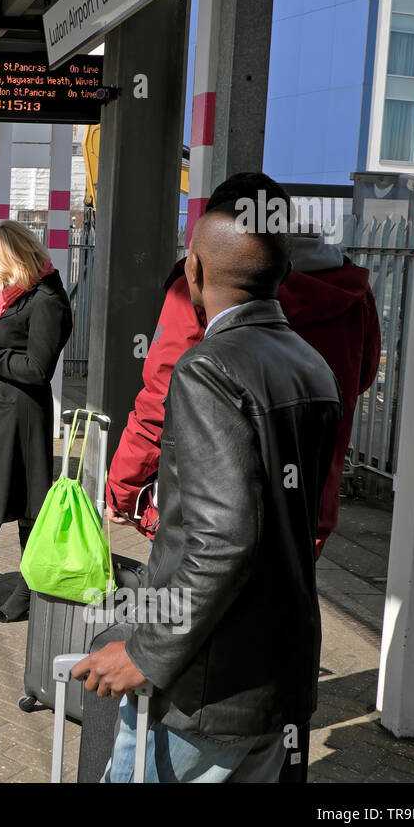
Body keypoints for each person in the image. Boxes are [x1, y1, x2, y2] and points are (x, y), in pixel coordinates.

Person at [74, 203, 342, 783]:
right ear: (284, 271)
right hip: (282, 672)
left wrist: (145, 653)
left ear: (192, 270)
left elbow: (223, 537)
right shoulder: (313, 365)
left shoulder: (208, 369)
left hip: (207, 688)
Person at [106, 173, 381, 557]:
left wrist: (125, 484)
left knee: (190, 606)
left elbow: (161, 394)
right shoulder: (352, 292)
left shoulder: (204, 284)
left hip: (210, 503)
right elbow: (362, 377)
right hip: (308, 497)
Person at [0, 221, 72, 622]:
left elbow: (37, 368)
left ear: (11, 260)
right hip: (1, 411)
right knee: (3, 497)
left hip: (23, 417)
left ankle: (29, 590)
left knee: (28, 505)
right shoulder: (23, 295)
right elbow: (12, 347)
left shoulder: (47, 300)